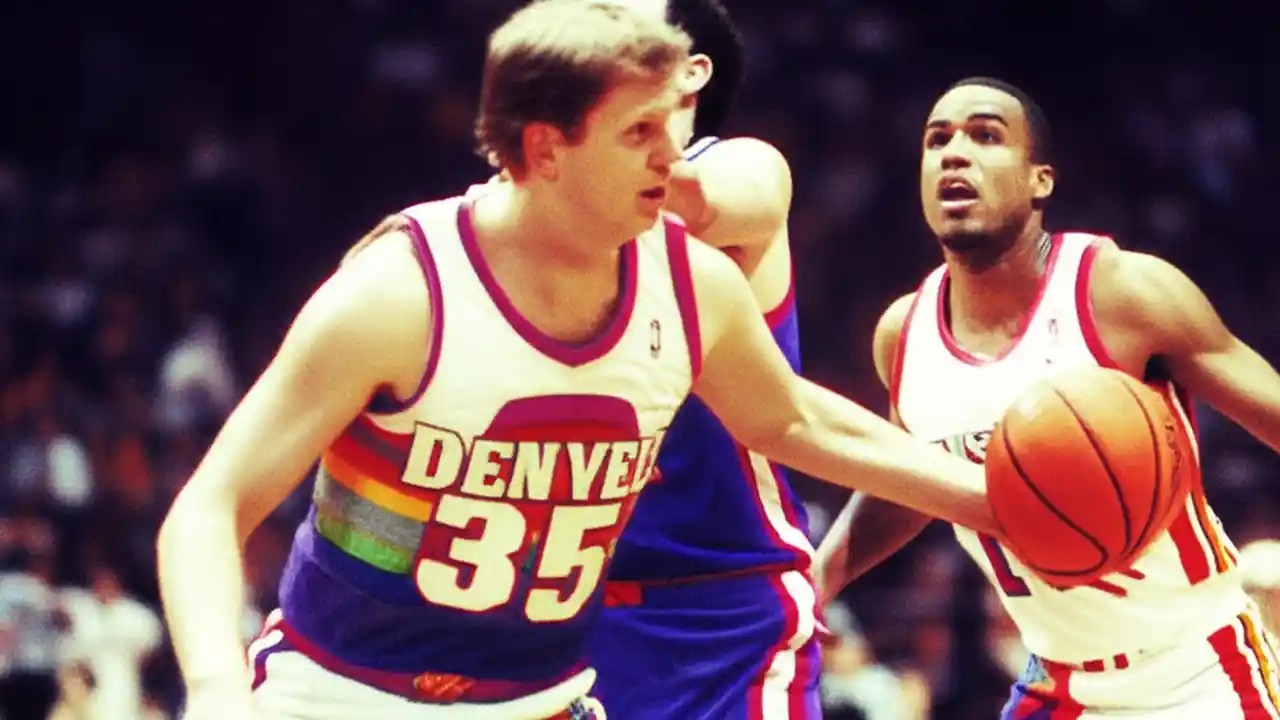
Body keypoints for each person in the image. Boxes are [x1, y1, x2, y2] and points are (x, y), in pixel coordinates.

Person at [156, 3, 997, 718]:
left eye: (672, 123)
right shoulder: (399, 293)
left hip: (544, 696)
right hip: (347, 692)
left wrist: (997, 501)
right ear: (547, 147)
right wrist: (215, 689)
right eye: (639, 131)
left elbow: (794, 418)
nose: (670, 154)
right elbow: (209, 508)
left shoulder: (692, 283)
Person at [815, 76, 1280, 719]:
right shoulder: (904, 334)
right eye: (937, 140)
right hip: (1060, 685)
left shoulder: (1121, 293)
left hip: (1197, 672)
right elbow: (910, 484)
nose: (954, 153)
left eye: (984, 136)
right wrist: (820, 577)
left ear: (1041, 181)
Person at [583, 1, 822, 717]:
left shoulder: (741, 164)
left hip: (718, 616)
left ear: (688, 74)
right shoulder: (549, 217)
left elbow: (705, 202)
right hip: (563, 616)